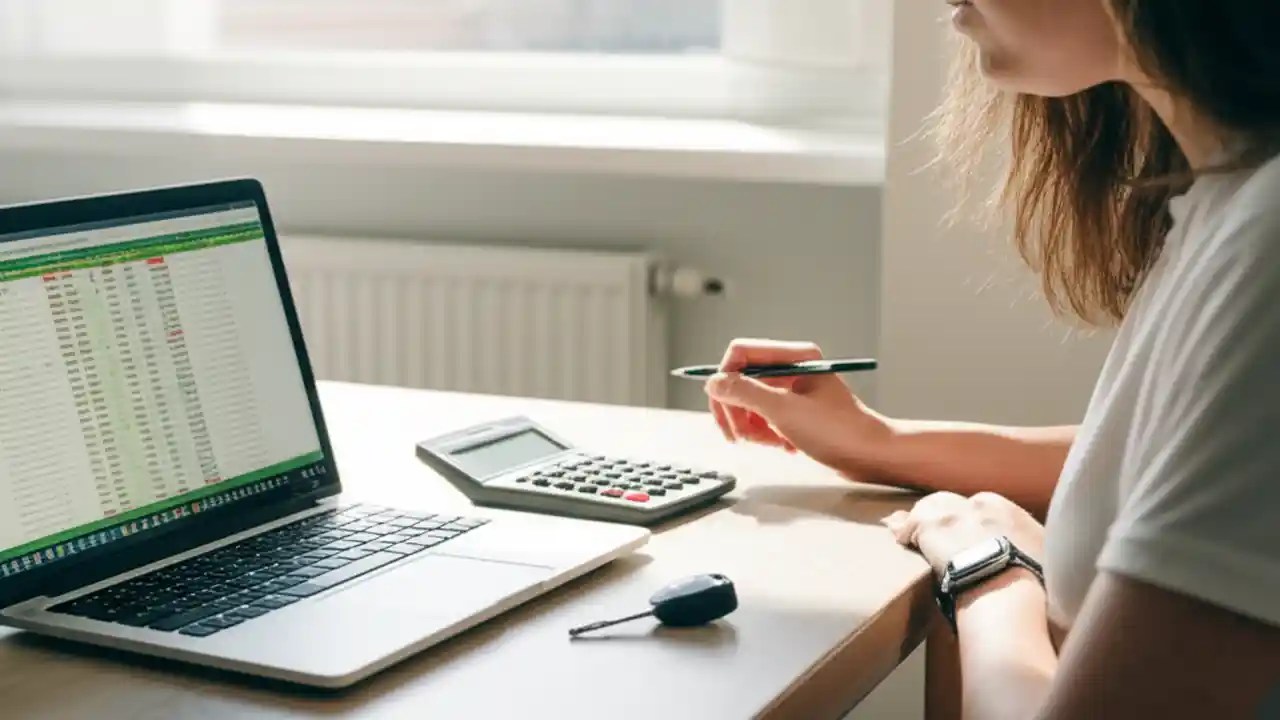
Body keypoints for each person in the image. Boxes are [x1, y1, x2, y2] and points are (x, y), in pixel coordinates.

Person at [704, 2, 1280, 718]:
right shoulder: (1231, 200)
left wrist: (990, 572)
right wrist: (879, 443)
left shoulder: (1269, 247)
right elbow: (1175, 468)